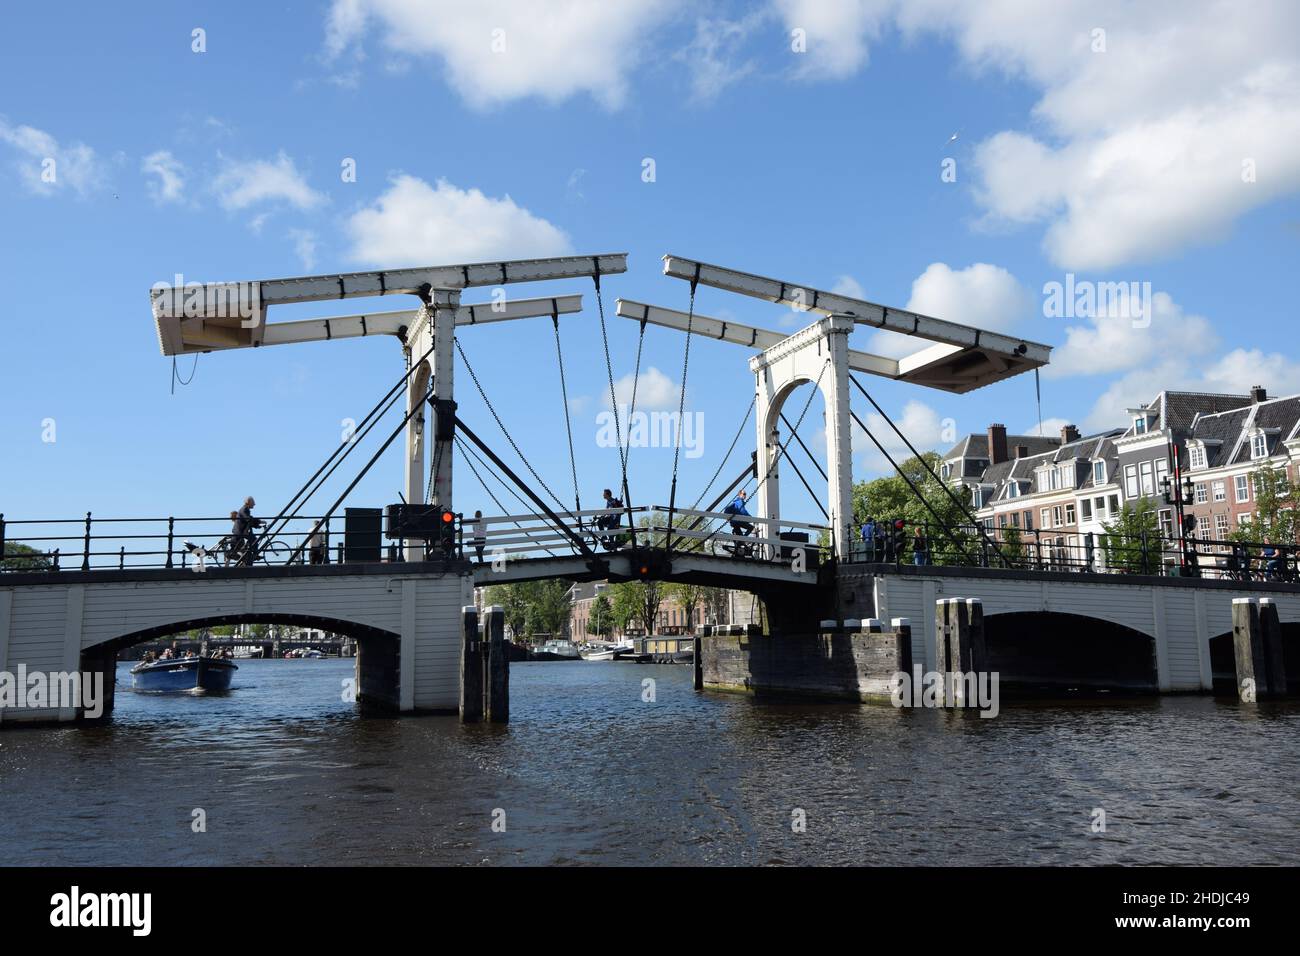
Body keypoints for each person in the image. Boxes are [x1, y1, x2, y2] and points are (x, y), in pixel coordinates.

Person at [232, 496, 263, 566]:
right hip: (241, 531)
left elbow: (249, 521)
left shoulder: (245, 509)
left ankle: (252, 554)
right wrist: (259, 521)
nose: (254, 504)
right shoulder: (244, 509)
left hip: (242, 530)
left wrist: (258, 525)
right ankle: (255, 555)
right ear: (248, 502)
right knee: (254, 539)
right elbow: (248, 519)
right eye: (253, 502)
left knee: (252, 540)